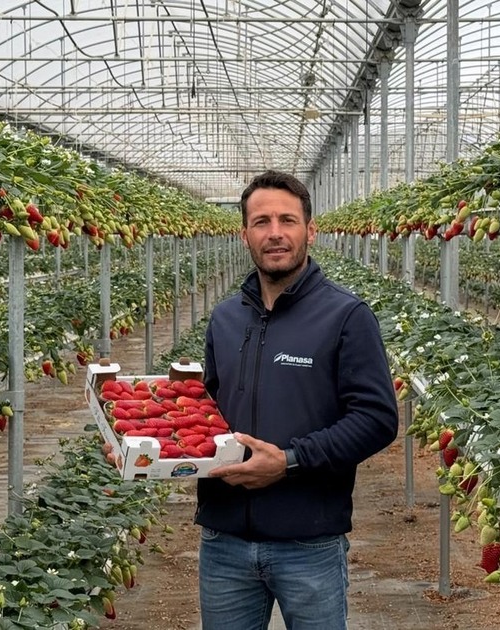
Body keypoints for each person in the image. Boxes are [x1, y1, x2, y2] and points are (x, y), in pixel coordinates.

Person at [195, 170, 400, 630]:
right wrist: (142, 441)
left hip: (309, 543)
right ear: (244, 233)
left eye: (287, 220)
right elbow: (203, 411)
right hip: (223, 541)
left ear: (310, 230)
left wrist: (290, 460)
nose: (275, 234)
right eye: (261, 221)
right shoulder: (225, 318)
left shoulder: (346, 315)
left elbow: (377, 419)